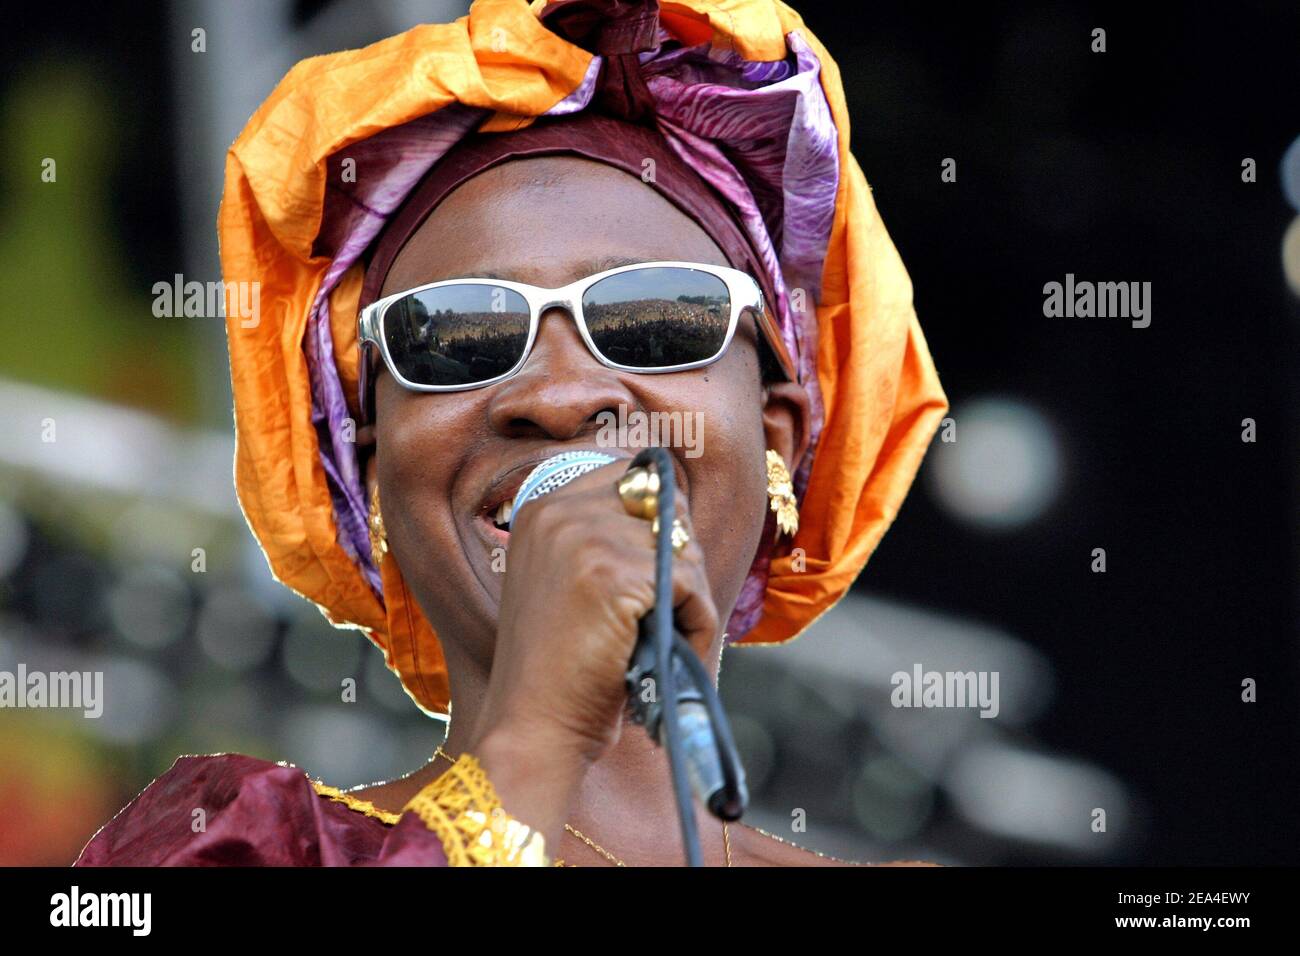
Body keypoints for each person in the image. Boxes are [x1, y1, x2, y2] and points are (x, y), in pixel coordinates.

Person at [74, 0, 947, 867]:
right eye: (456, 335)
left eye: (653, 315)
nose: (560, 394)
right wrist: (536, 736)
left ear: (779, 441)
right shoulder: (239, 847)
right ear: (367, 474)